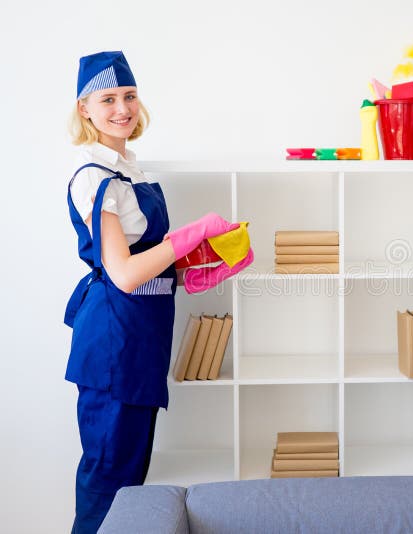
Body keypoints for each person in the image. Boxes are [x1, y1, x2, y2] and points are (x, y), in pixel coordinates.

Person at [64, 51, 239, 533]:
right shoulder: (94, 176)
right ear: (85, 109)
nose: (122, 108)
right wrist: (192, 233)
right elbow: (122, 273)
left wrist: (197, 268)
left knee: (131, 484)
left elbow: (148, 261)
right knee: (108, 486)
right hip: (114, 345)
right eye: (109, 99)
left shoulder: (129, 168)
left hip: (141, 341)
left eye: (130, 96)